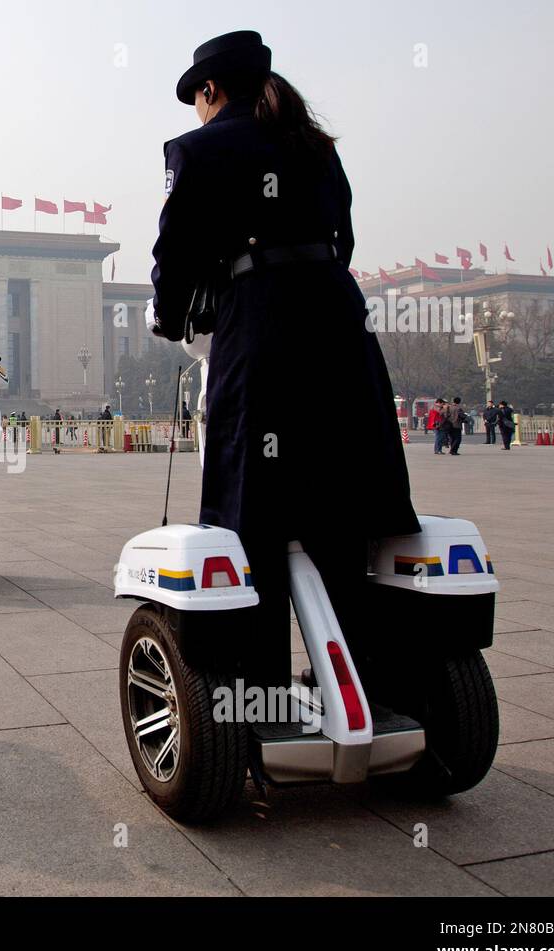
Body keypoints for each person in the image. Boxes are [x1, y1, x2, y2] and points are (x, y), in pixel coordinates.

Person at [149, 30, 419, 691]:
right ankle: (367, 684)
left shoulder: (199, 148)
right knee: (343, 509)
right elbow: (344, 239)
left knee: (255, 515)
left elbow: (175, 253)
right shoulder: (316, 148)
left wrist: (171, 316)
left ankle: (259, 696)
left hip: (261, 332)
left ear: (210, 91)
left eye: (198, 99)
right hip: (338, 326)